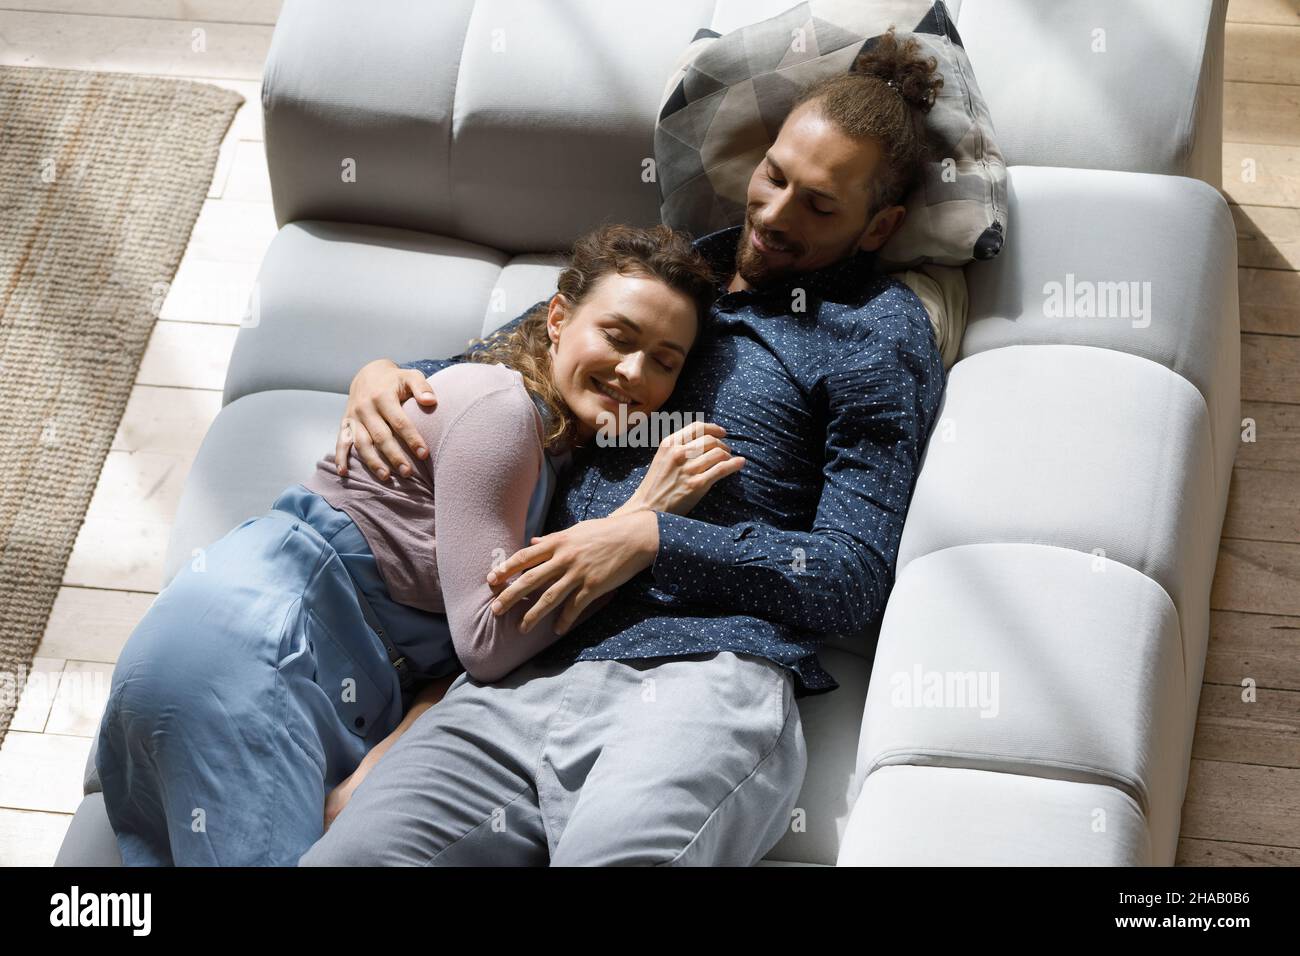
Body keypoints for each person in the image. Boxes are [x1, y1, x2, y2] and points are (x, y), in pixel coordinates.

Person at [300, 28, 949, 867]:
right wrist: (381, 374)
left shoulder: (874, 337)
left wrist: (651, 539)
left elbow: (849, 577)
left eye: (820, 205)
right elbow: (496, 374)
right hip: (523, 669)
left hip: (702, 677)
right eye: (774, 176)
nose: (775, 215)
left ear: (879, 226)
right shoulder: (671, 272)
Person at [94, 223, 729, 865]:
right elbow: (486, 642)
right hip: (252, 652)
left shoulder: (545, 443)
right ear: (558, 318)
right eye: (617, 337)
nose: (632, 371)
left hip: (254, 656)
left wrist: (385, 757)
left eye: (665, 361)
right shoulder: (502, 412)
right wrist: (639, 524)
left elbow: (458, 645)